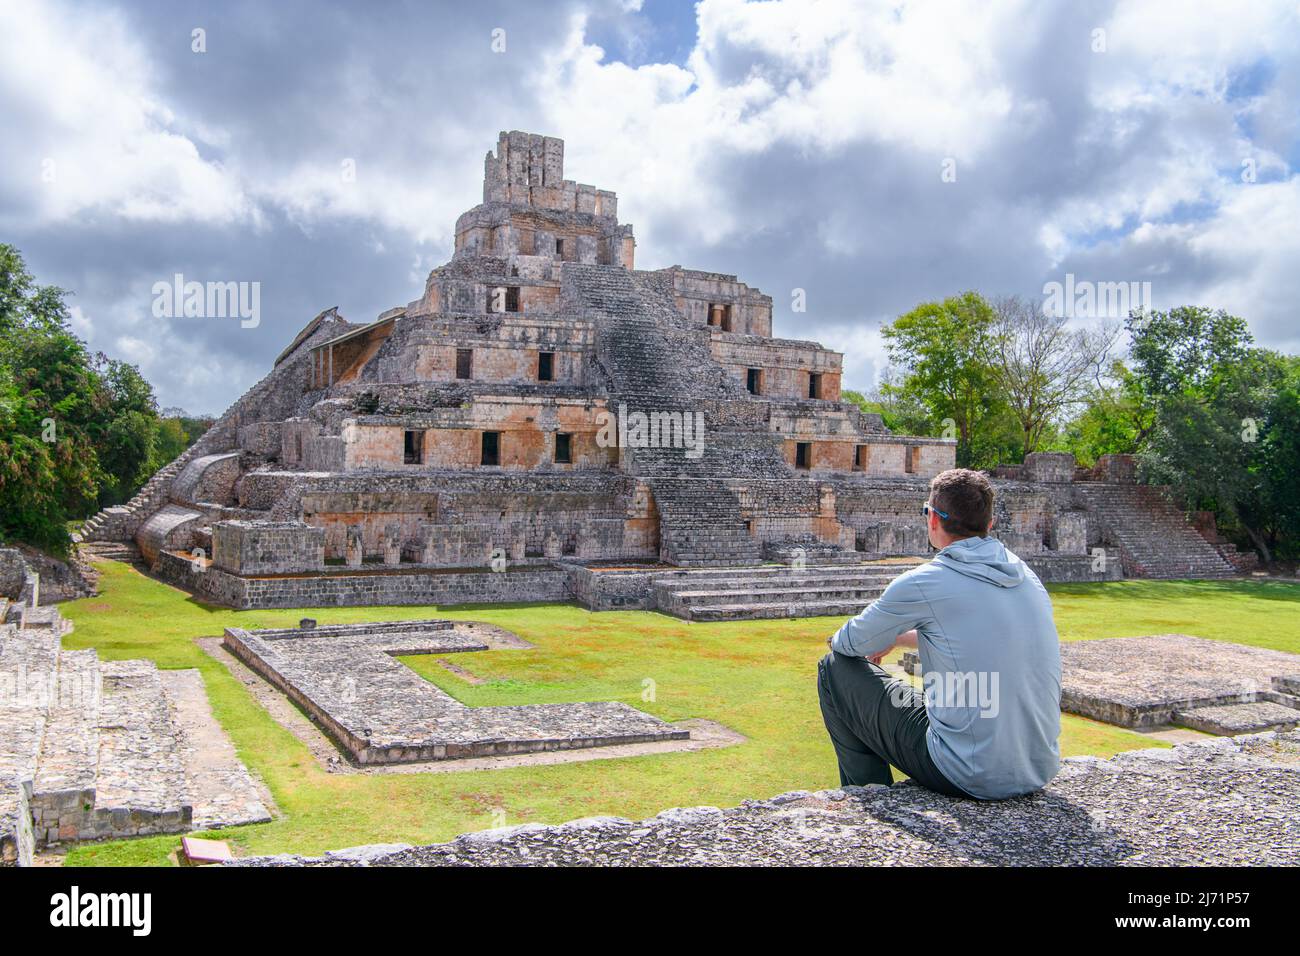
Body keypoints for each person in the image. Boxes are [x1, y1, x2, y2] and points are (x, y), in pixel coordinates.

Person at [817, 467, 1061, 800]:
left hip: (970, 772)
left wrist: (872, 636)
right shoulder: (1027, 578)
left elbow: (848, 643)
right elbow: (969, 638)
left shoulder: (925, 581)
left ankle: (869, 795)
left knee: (833, 668)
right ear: (989, 525)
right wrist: (897, 637)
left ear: (932, 518)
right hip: (1038, 768)